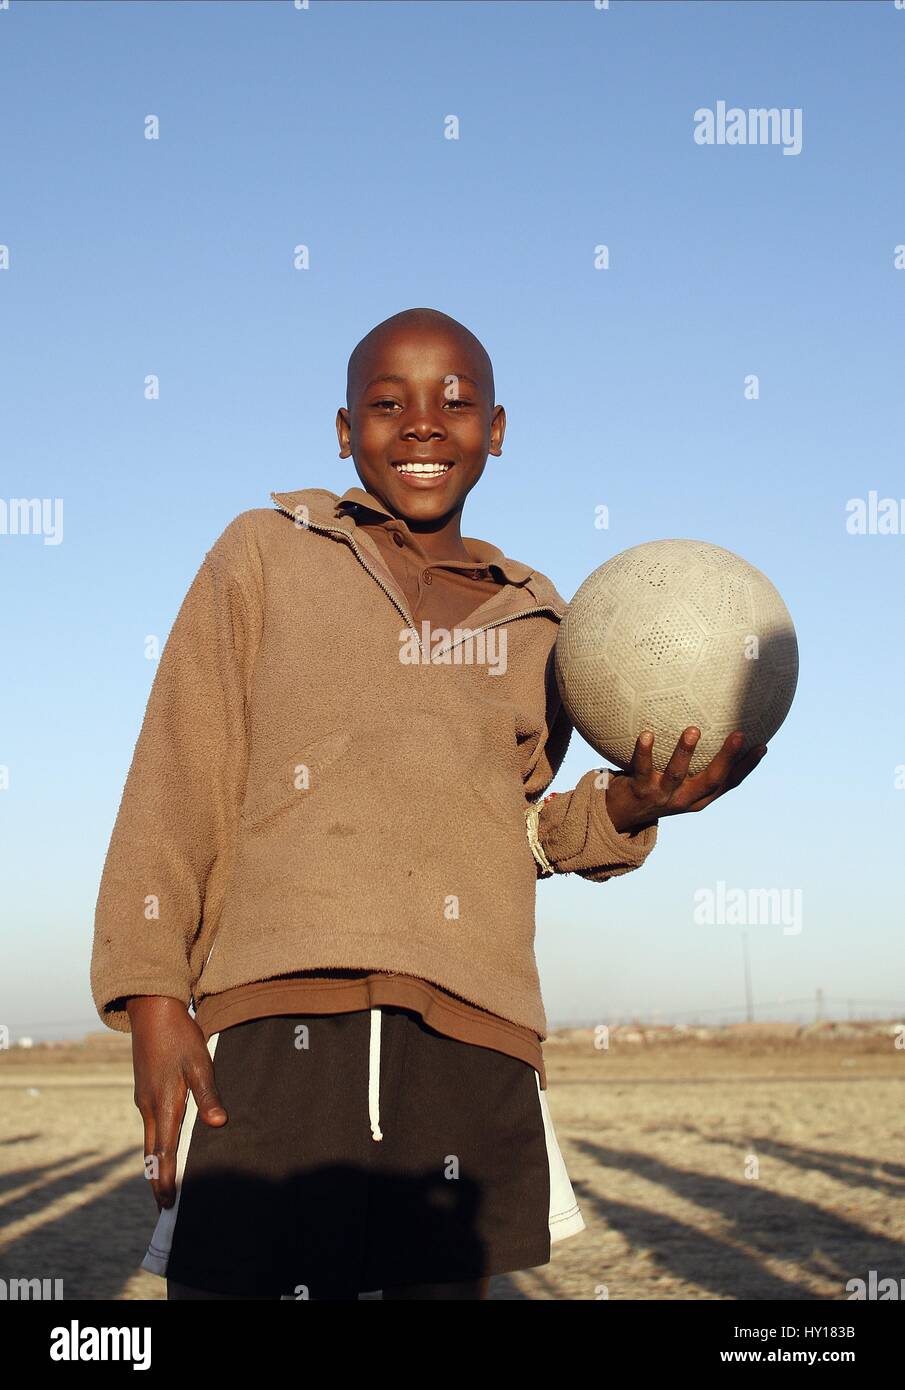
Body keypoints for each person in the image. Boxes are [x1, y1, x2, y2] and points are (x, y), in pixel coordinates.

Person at [90, 307, 767, 1301]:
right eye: (386, 402)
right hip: (275, 1019)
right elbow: (175, 776)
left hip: (469, 1031)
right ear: (342, 430)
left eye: (453, 401)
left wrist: (625, 806)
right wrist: (153, 994)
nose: (421, 423)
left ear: (495, 429)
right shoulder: (264, 554)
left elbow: (512, 835)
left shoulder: (542, 626)